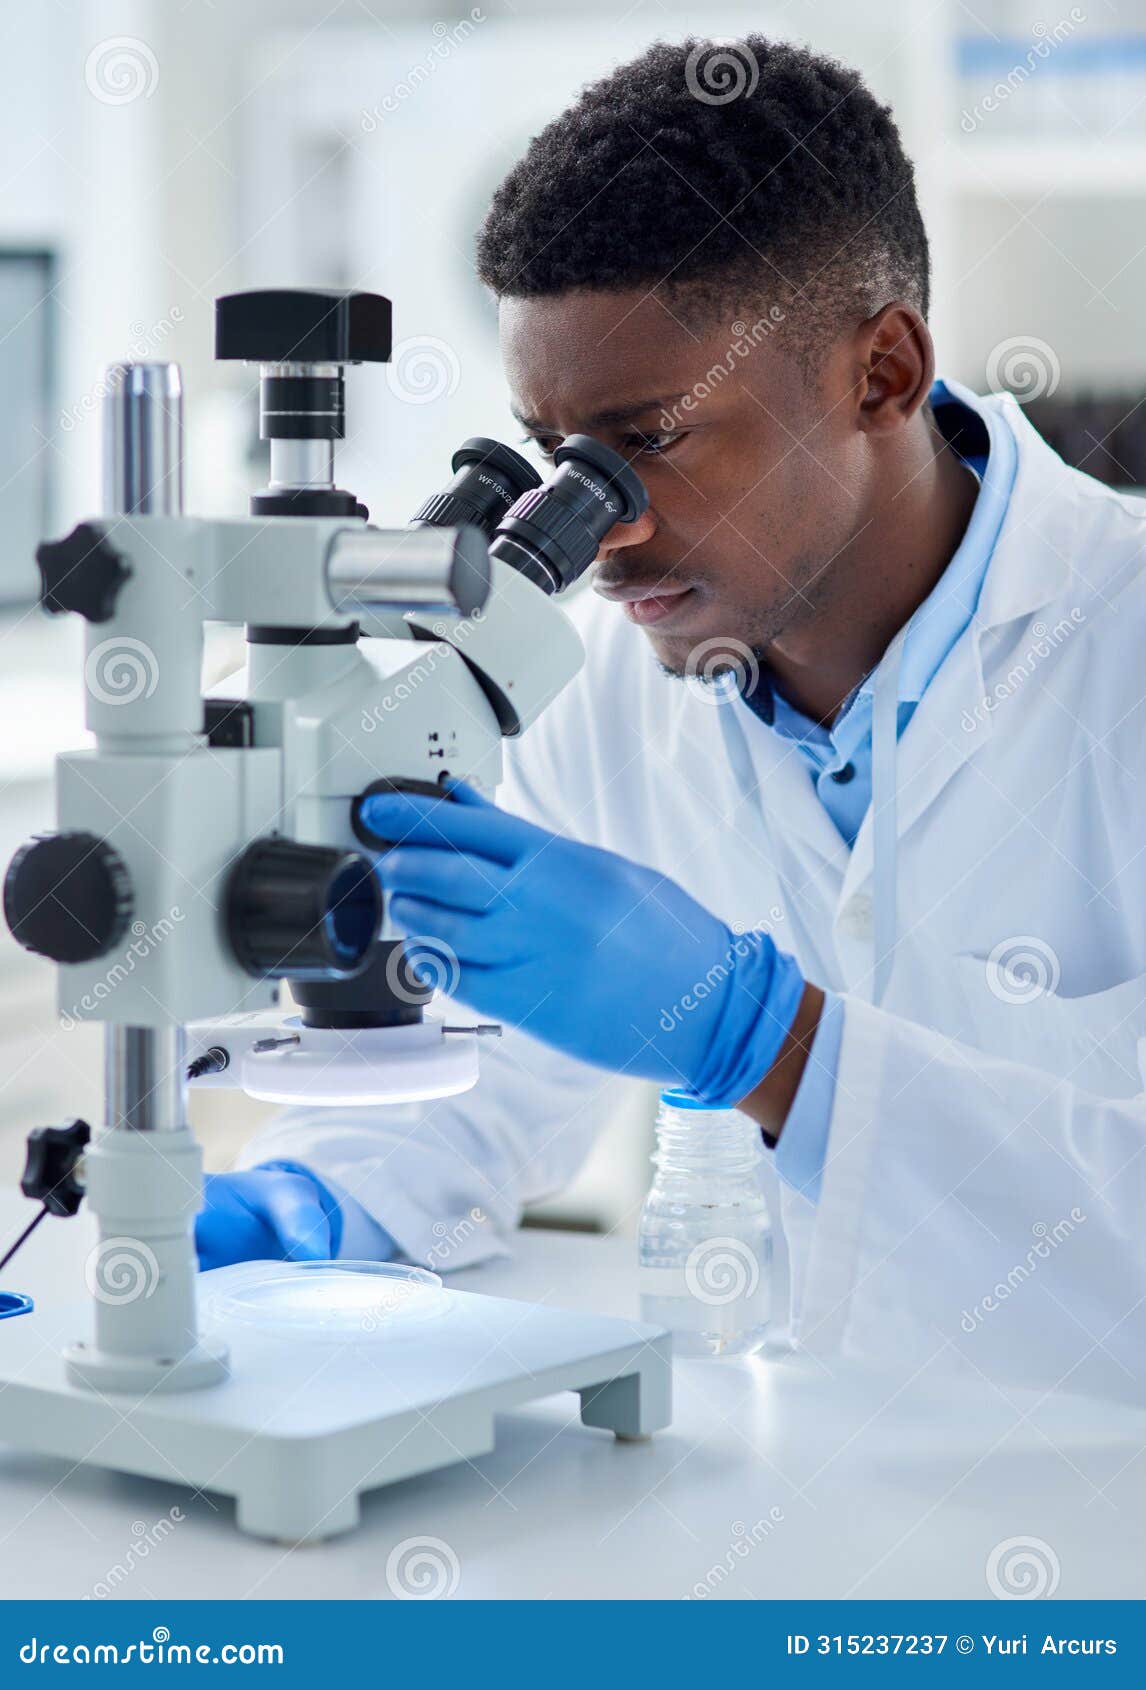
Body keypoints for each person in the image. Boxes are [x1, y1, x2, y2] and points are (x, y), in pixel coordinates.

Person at [200, 37, 1146, 1390]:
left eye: (645, 443)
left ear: (881, 372)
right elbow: (479, 1094)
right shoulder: (597, 686)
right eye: (555, 459)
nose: (597, 529)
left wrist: (767, 1044)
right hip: (766, 1475)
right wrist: (298, 1201)